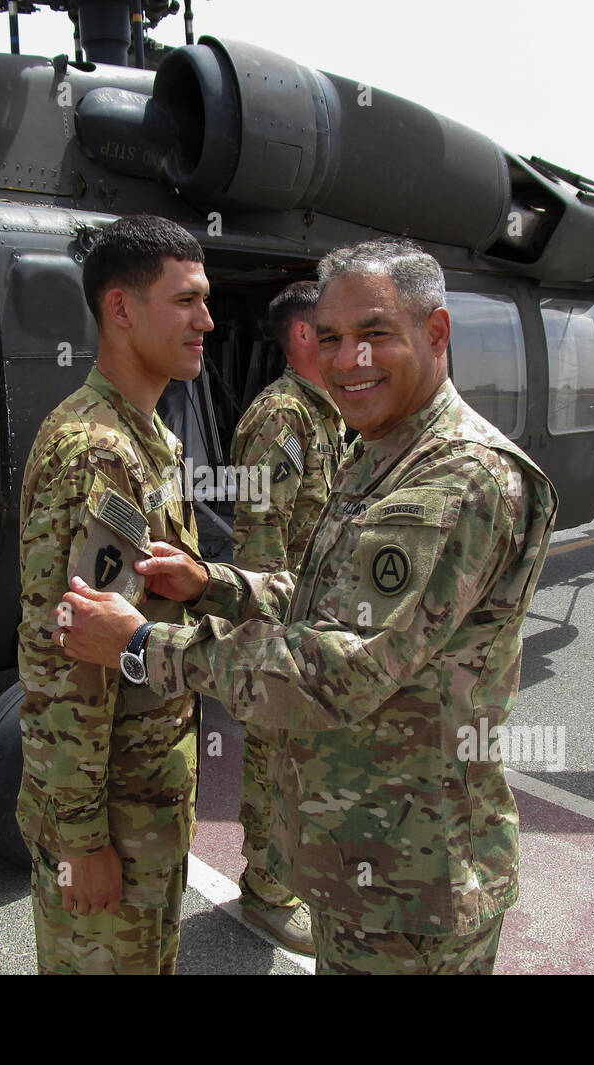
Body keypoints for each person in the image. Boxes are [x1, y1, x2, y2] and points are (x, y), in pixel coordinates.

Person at [55, 239, 557, 974]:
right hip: (360, 857)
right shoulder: (381, 451)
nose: (350, 360)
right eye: (331, 339)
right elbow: (328, 599)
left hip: (409, 886)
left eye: (375, 334)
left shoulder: (454, 482)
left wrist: (140, 646)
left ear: (436, 332)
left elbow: (334, 670)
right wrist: (212, 584)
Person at [15, 214, 212, 974]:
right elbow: (71, 655)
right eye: (186, 300)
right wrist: (82, 838)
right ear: (121, 310)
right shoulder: (98, 450)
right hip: (113, 822)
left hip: (149, 806)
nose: (207, 320)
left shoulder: (147, 435)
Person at [228, 280, 343, 954]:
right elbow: (261, 537)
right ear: (303, 336)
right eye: (332, 331)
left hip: (316, 624)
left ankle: (288, 877)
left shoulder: (321, 413)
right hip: (286, 631)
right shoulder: (283, 419)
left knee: (303, 764)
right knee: (277, 761)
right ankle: (267, 895)